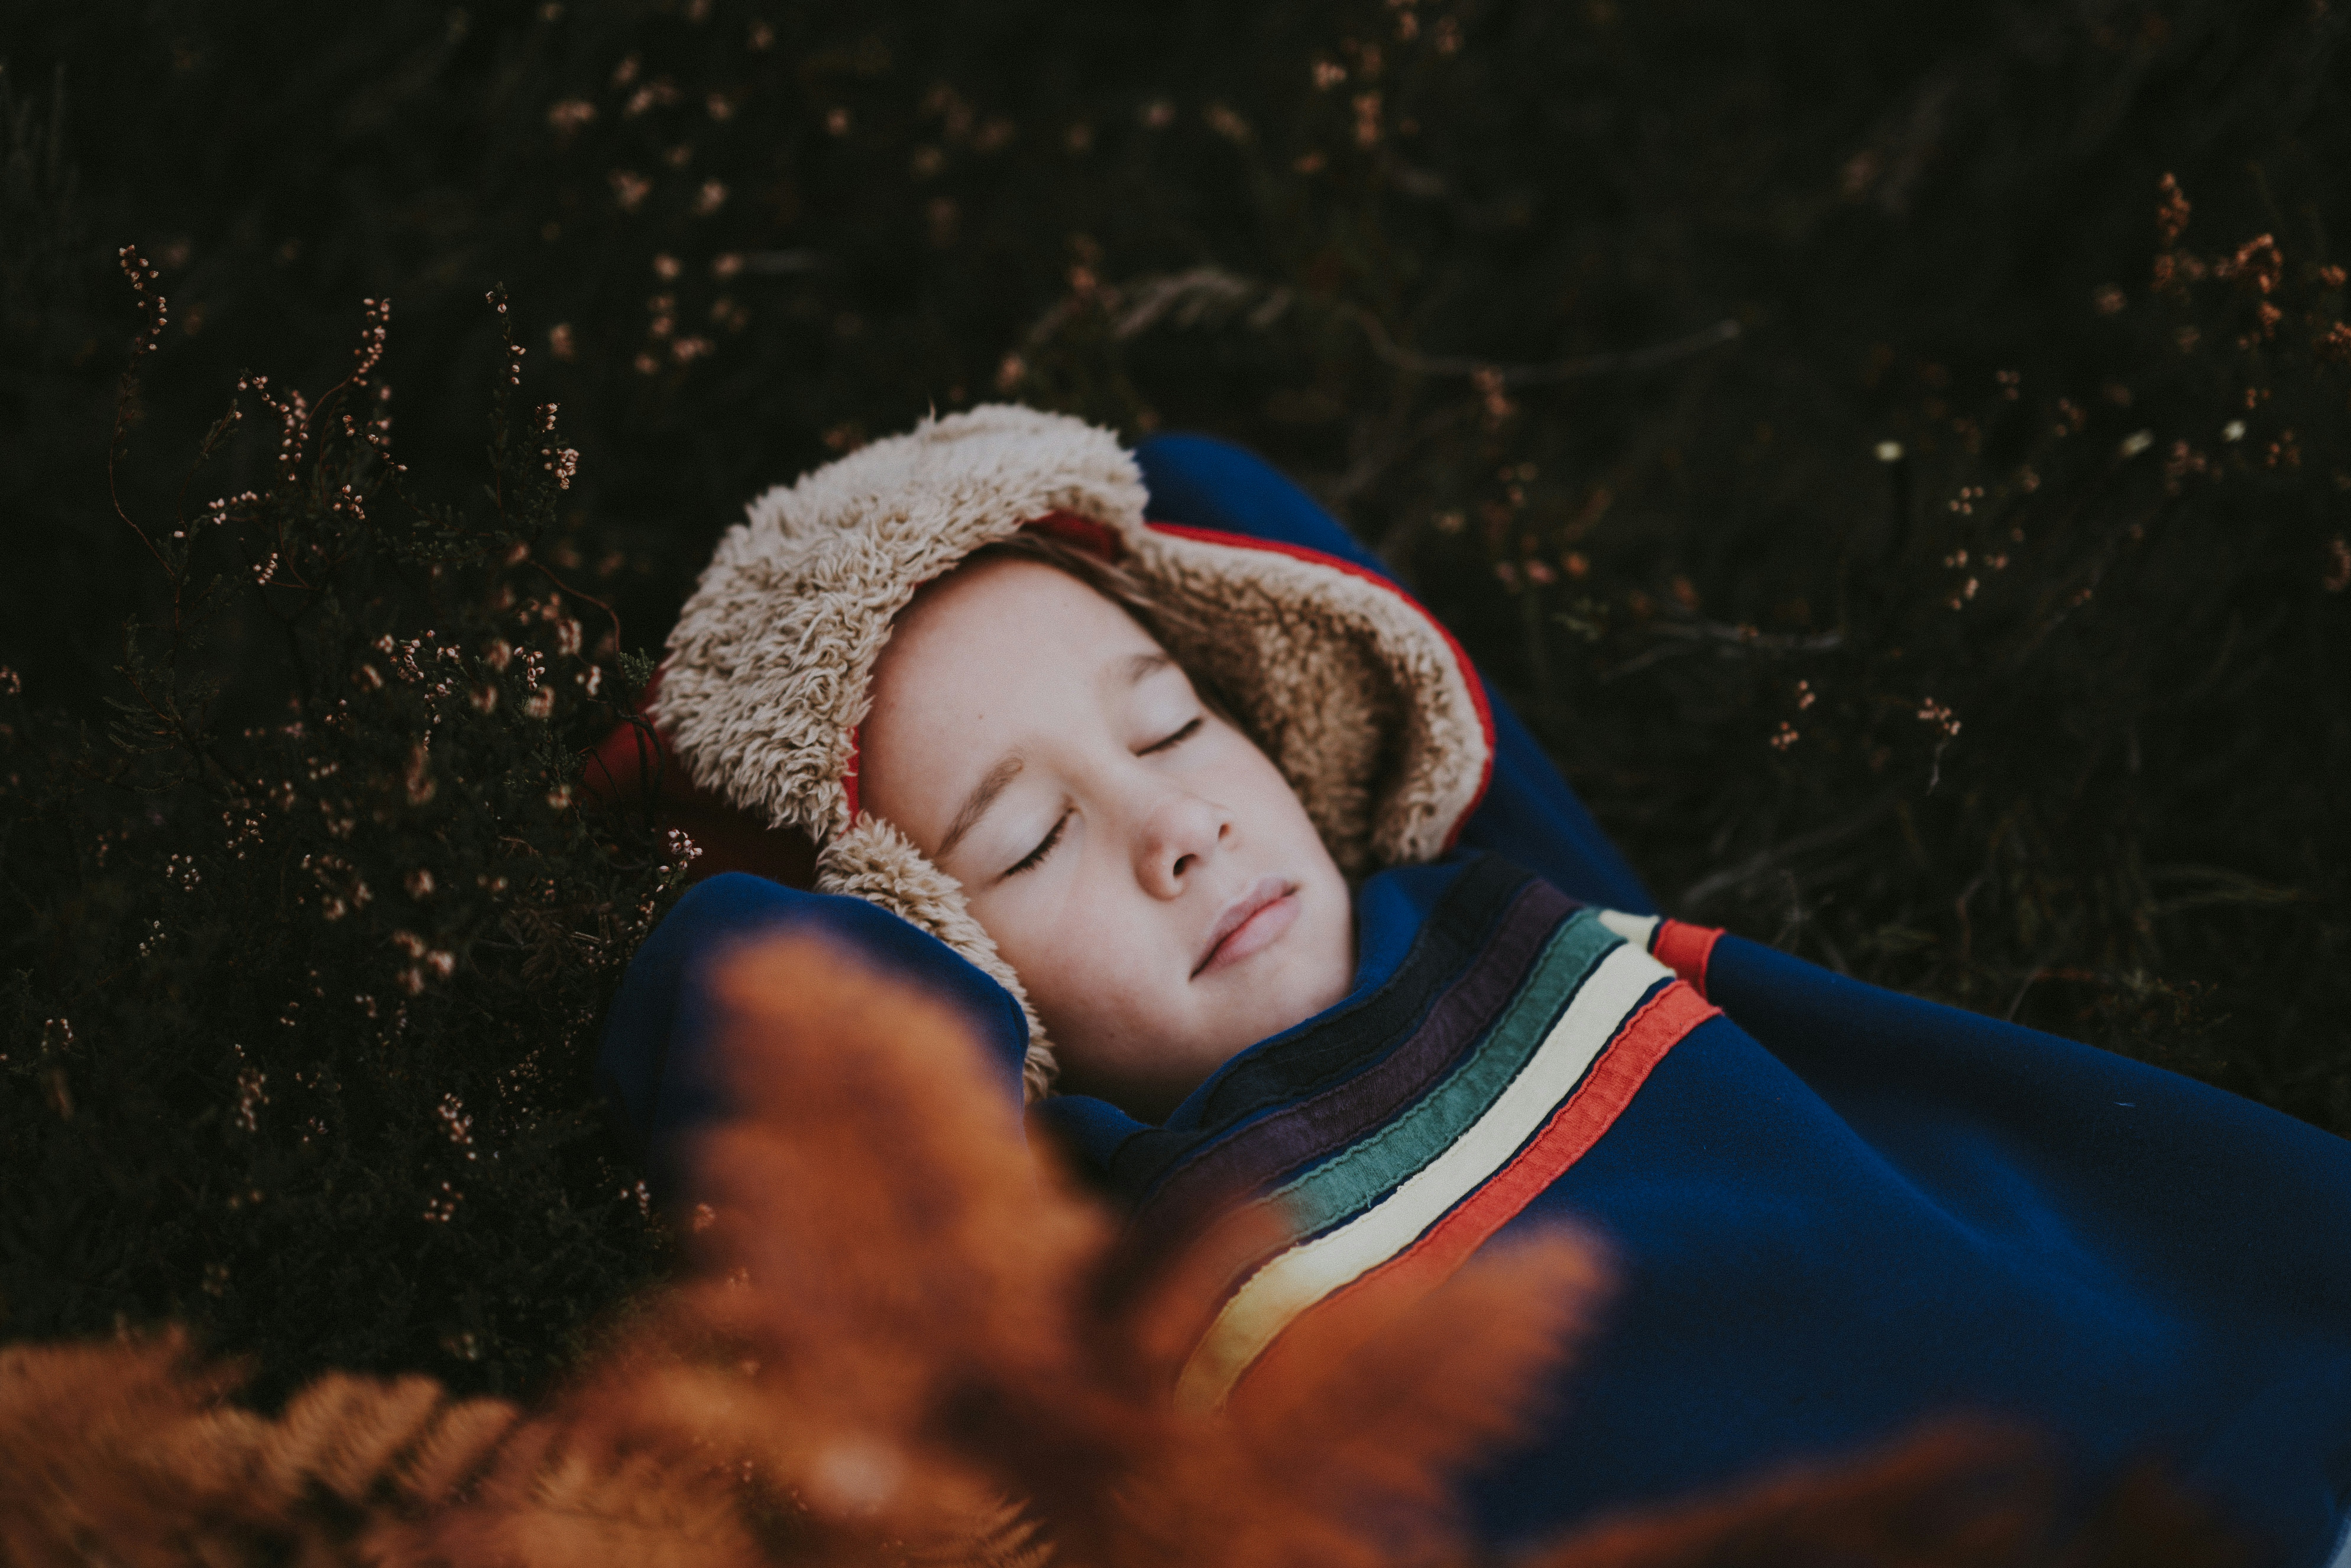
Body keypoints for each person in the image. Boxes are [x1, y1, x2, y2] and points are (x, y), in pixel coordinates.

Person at [596, 405, 2351, 1566]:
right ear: (932, 946)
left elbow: (1249, 519)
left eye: (1171, 720)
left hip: (2207, 1427)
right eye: (1031, 841)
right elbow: (772, 1021)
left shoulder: (1505, 903)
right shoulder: (1125, 1244)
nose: (1179, 827)